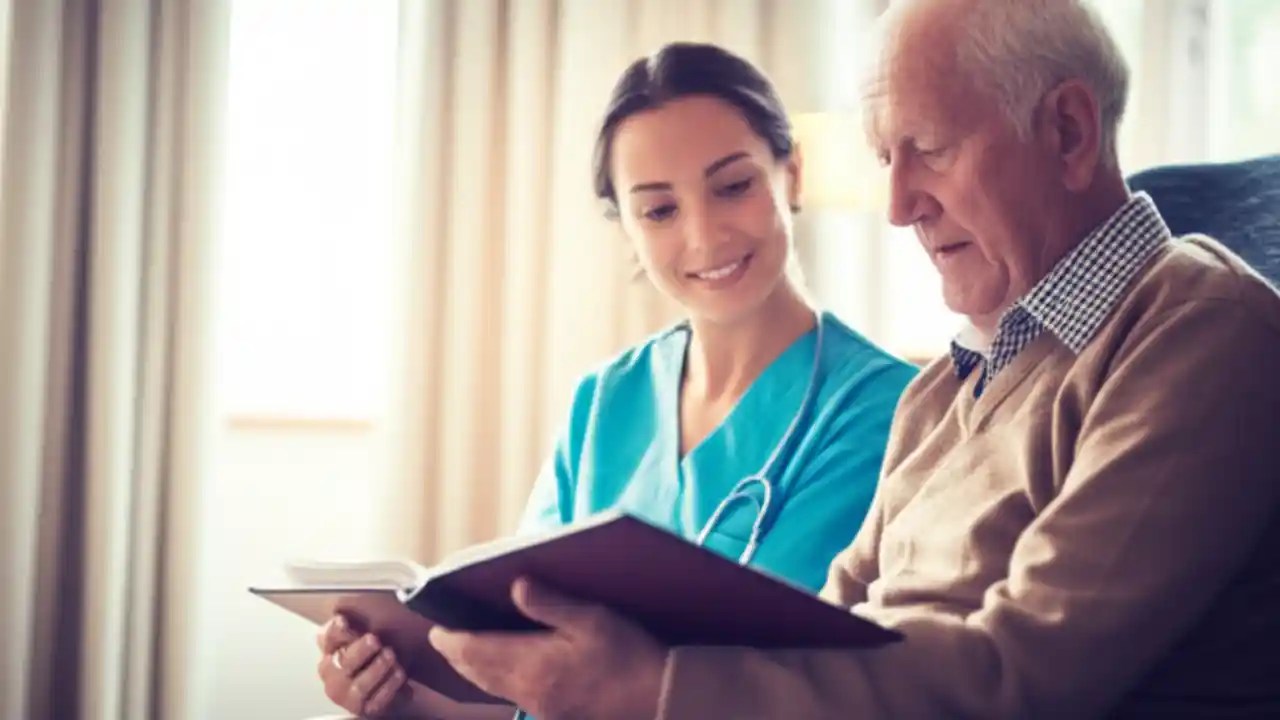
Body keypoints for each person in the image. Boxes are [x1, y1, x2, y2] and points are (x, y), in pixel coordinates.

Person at [424, 1, 1280, 718]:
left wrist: (652, 688)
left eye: (932, 150)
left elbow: (1025, 673)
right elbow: (819, 632)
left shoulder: (1200, 330)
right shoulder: (946, 389)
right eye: (885, 159)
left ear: (1066, 131)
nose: (900, 207)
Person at [313, 42, 917, 718]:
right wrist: (398, 701)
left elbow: (776, 690)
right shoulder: (602, 406)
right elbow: (528, 696)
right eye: (659, 210)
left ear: (792, 175)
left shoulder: (887, 411)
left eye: (734, 185)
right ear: (628, 229)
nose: (705, 234)